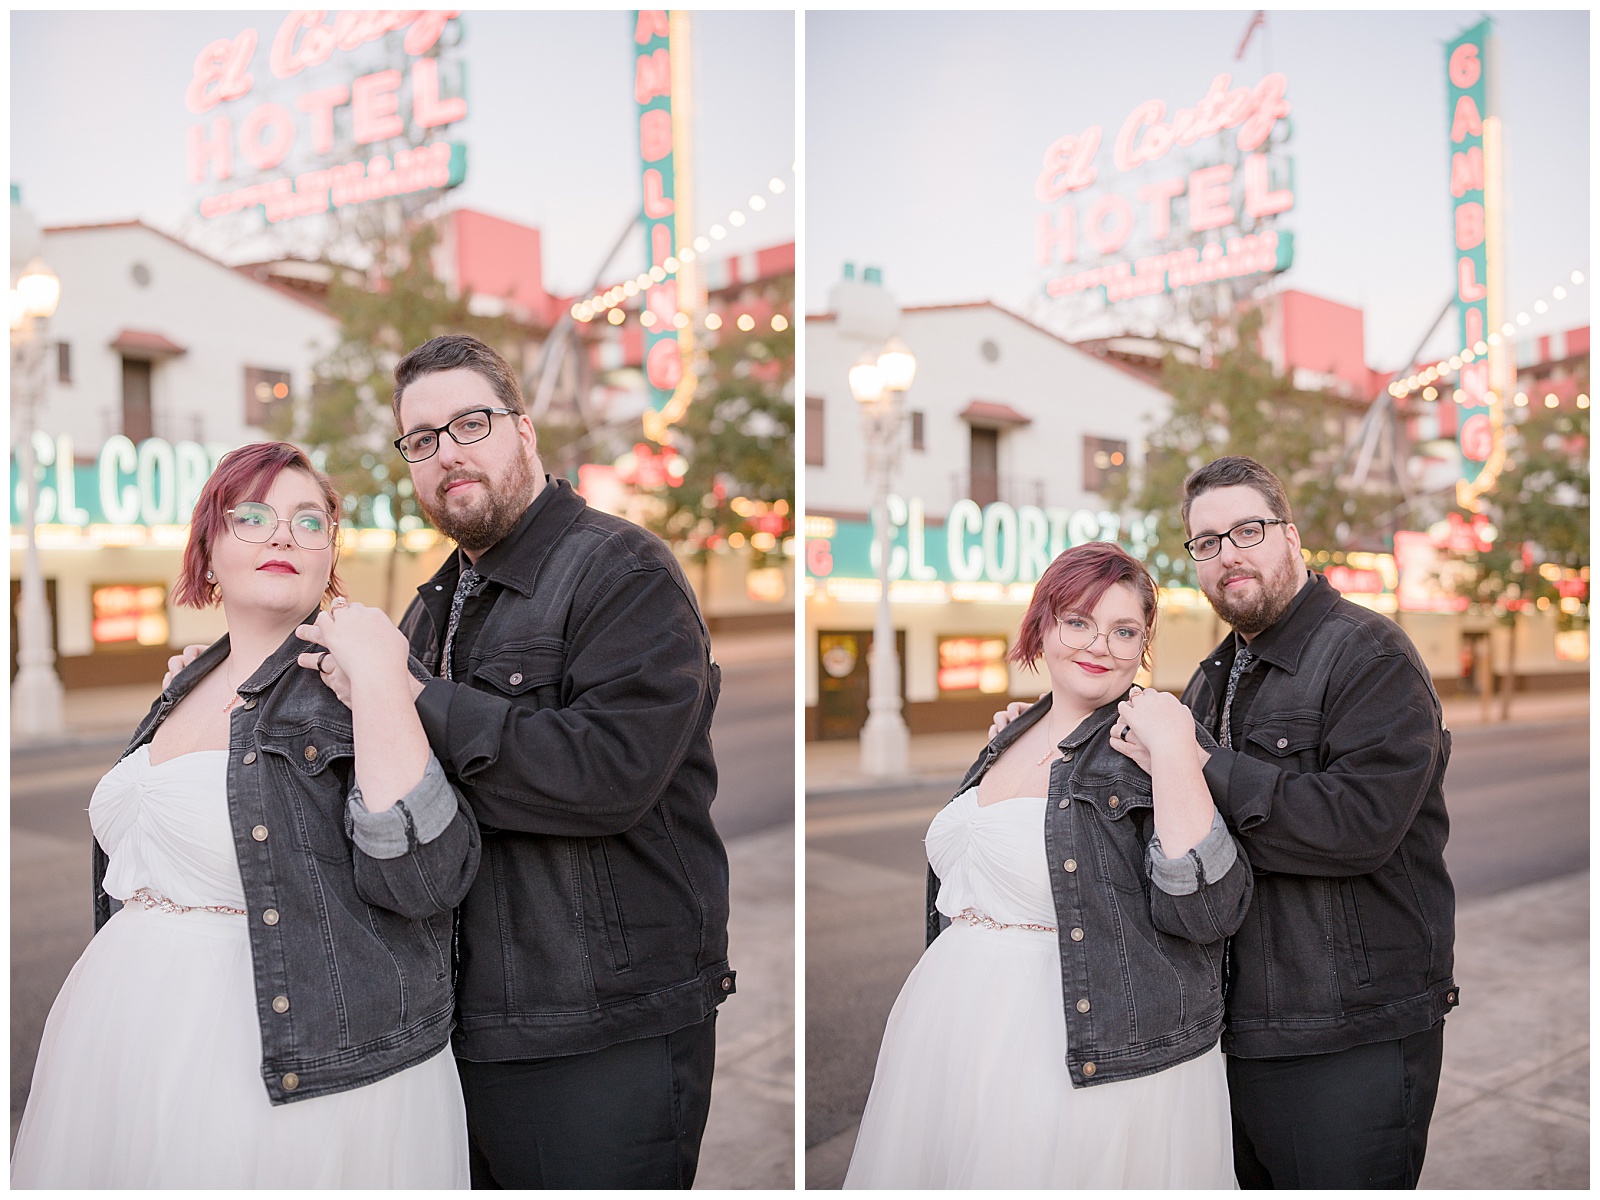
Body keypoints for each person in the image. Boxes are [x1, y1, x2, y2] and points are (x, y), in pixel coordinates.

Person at [316, 333, 731, 1188]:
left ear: (524, 431)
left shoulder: (623, 570)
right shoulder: (432, 605)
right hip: (471, 1023)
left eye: (470, 424)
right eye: (421, 440)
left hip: (604, 1032)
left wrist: (410, 692)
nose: (447, 455)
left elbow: (608, 774)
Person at [11, 442, 480, 1188]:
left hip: (282, 1046)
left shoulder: (356, 673)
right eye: (253, 516)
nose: (283, 535)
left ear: (331, 553)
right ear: (209, 545)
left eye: (308, 520)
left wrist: (383, 677)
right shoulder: (186, 679)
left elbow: (425, 880)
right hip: (123, 1030)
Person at [993, 456, 1457, 1189]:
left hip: (1347, 1035)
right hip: (1236, 1032)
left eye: (1247, 530)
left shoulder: (1368, 654)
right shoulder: (1212, 677)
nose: (1227, 553)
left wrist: (1195, 760)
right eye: (1206, 542)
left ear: (1292, 537)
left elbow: (1362, 826)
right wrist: (1042, 734)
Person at [844, 541, 1250, 1189]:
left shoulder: (1151, 735)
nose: (1100, 645)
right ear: (1042, 625)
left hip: (1081, 1040)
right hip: (954, 1027)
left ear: (1144, 645)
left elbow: (1208, 911)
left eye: (1125, 631)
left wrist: (1175, 752)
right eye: (1078, 621)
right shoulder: (1011, 730)